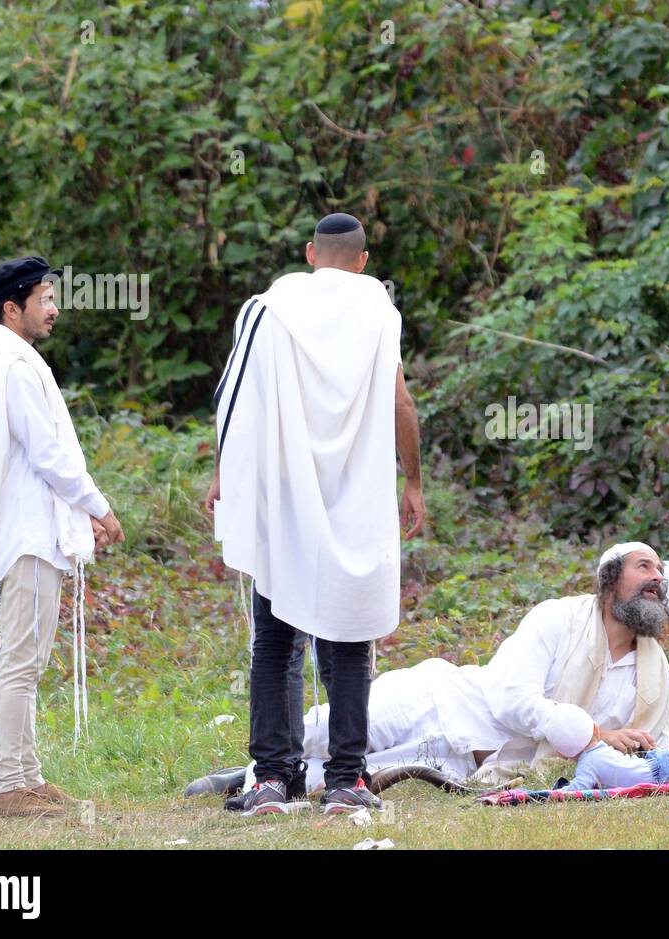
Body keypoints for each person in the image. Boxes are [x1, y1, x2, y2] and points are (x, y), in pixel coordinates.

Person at [207, 213, 426, 815]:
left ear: (310, 253)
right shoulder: (380, 309)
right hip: (356, 498)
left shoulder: (269, 307)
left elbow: (234, 396)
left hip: (284, 497)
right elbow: (399, 401)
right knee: (350, 640)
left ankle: (273, 779)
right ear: (362, 260)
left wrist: (225, 474)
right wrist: (413, 482)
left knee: (275, 640)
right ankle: (346, 783)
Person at [228, 542, 669, 798]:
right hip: (443, 702)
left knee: (336, 779)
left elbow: (655, 750)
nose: (657, 577)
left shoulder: (654, 672)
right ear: (609, 581)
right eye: (644, 566)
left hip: (469, 763)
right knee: (328, 729)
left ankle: (253, 782)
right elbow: (511, 698)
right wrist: (595, 736)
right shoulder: (558, 618)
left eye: (660, 570)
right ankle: (258, 769)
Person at [0, 256, 124, 818]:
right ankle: (8, 786)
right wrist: (99, 506)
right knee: (19, 662)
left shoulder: (8, 359)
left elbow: (35, 458)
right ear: (12, 308)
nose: (55, 308)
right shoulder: (13, 366)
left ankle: (27, 777)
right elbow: (50, 455)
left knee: (25, 661)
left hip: (32, 532)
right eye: (44, 298)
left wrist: (79, 507)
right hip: (29, 539)